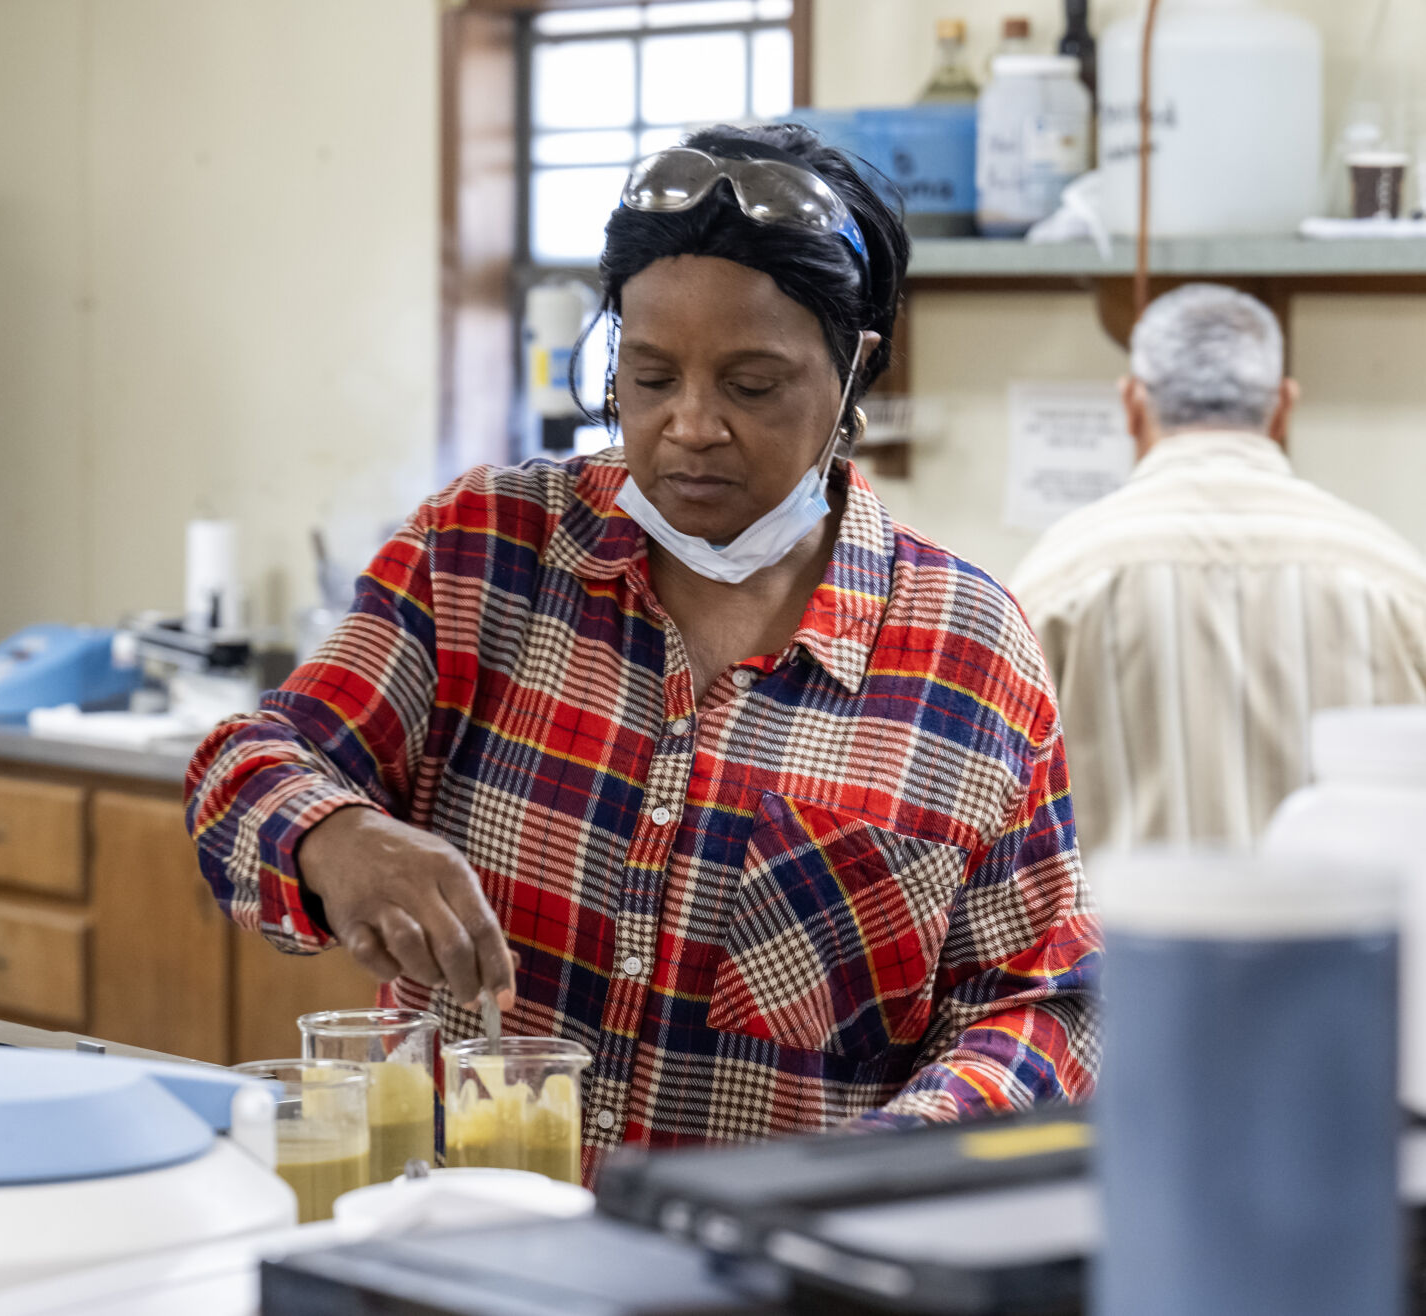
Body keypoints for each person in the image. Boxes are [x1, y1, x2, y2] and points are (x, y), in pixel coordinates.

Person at [186, 123, 1099, 1182]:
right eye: (650, 375)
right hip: (448, 1249)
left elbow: (1041, 1006)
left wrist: (874, 1165)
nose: (689, 426)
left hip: (753, 1275)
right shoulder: (486, 551)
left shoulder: (963, 650)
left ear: (852, 371)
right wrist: (334, 839)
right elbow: (243, 768)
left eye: (752, 385)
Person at [1012, 283, 1426, 854]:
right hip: (1357, 944)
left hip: (1121, 944)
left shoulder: (1054, 584)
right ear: (1283, 406)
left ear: (1131, 406)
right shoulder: (1395, 581)